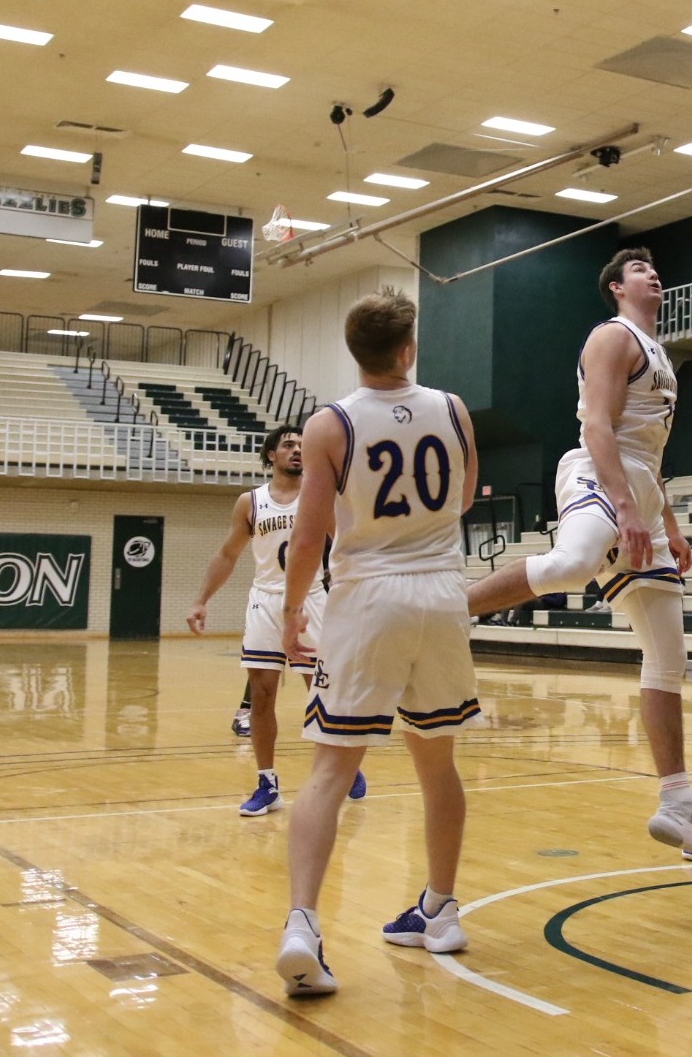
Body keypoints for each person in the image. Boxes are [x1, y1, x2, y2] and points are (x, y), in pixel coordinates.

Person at [461, 248, 692, 862]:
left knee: (668, 656)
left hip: (639, 485)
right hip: (598, 472)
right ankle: (447, 610)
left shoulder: (660, 351)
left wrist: (666, 522)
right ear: (616, 287)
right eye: (640, 269)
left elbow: (651, 454)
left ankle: (677, 803)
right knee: (571, 564)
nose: (654, 272)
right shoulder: (612, 337)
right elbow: (597, 427)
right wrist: (623, 506)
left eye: (655, 266)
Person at [272, 288, 484, 997]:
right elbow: (462, 496)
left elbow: (308, 535)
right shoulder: (453, 409)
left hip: (368, 598)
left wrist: (294, 607)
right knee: (437, 765)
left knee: (331, 771)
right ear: (408, 348)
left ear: (354, 350)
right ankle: (442, 908)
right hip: (442, 594)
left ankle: (303, 923)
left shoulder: (329, 424)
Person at [187, 425, 365, 816]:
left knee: (321, 692)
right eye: (288, 445)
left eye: (302, 445)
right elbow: (228, 554)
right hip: (265, 602)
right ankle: (267, 783)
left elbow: (347, 548)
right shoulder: (250, 503)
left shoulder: (320, 496)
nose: (297, 450)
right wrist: (201, 599)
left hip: (312, 601)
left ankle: (345, 763)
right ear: (271, 455)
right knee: (261, 694)